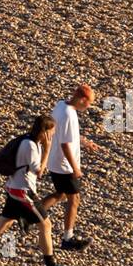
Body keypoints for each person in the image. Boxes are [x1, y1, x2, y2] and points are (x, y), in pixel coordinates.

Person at [0, 115, 72, 266]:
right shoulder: (31, 146)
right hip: (23, 193)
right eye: (51, 132)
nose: (52, 135)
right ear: (45, 132)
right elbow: (39, 172)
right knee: (46, 225)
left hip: (13, 188)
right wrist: (47, 149)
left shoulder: (26, 139)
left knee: (3, 224)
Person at [40, 84, 99, 250]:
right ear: (82, 99)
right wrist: (75, 168)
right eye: (89, 103)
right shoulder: (68, 114)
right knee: (74, 199)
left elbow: (64, 133)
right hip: (64, 166)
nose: (89, 107)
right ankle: (68, 239)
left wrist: (84, 142)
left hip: (55, 161)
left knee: (62, 194)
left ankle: (30, 215)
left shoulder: (61, 106)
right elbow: (65, 144)